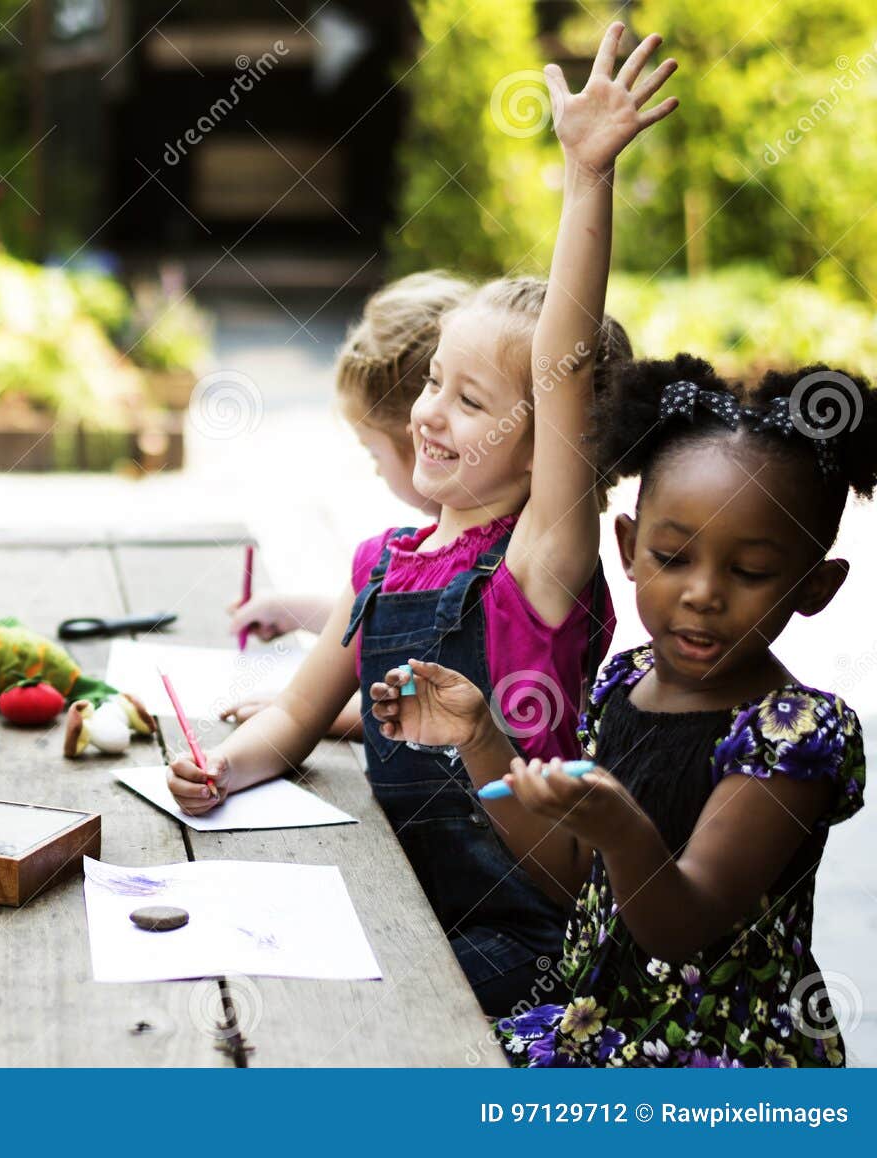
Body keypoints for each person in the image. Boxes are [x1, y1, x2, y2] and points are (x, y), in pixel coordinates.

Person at [169, 22, 673, 1016]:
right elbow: (293, 719)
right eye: (434, 383)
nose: (431, 412)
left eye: (474, 402)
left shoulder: (537, 565)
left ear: (548, 447)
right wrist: (220, 767)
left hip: (528, 940)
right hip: (415, 904)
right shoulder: (382, 562)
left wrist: (586, 179)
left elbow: (565, 368)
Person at [370, 356, 874, 1066]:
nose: (703, 593)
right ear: (631, 548)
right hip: (600, 1027)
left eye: (750, 572)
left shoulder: (793, 738)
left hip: (717, 1064)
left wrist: (625, 832)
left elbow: (682, 924)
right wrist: (481, 736)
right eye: (674, 556)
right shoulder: (625, 681)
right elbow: (573, 876)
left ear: (815, 586)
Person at [225, 271, 470, 739]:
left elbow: (434, 702)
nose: (375, 469)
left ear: (423, 438)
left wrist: (311, 713)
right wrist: (299, 613)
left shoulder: (490, 559)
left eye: (373, 451)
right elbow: (391, 622)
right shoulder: (438, 541)